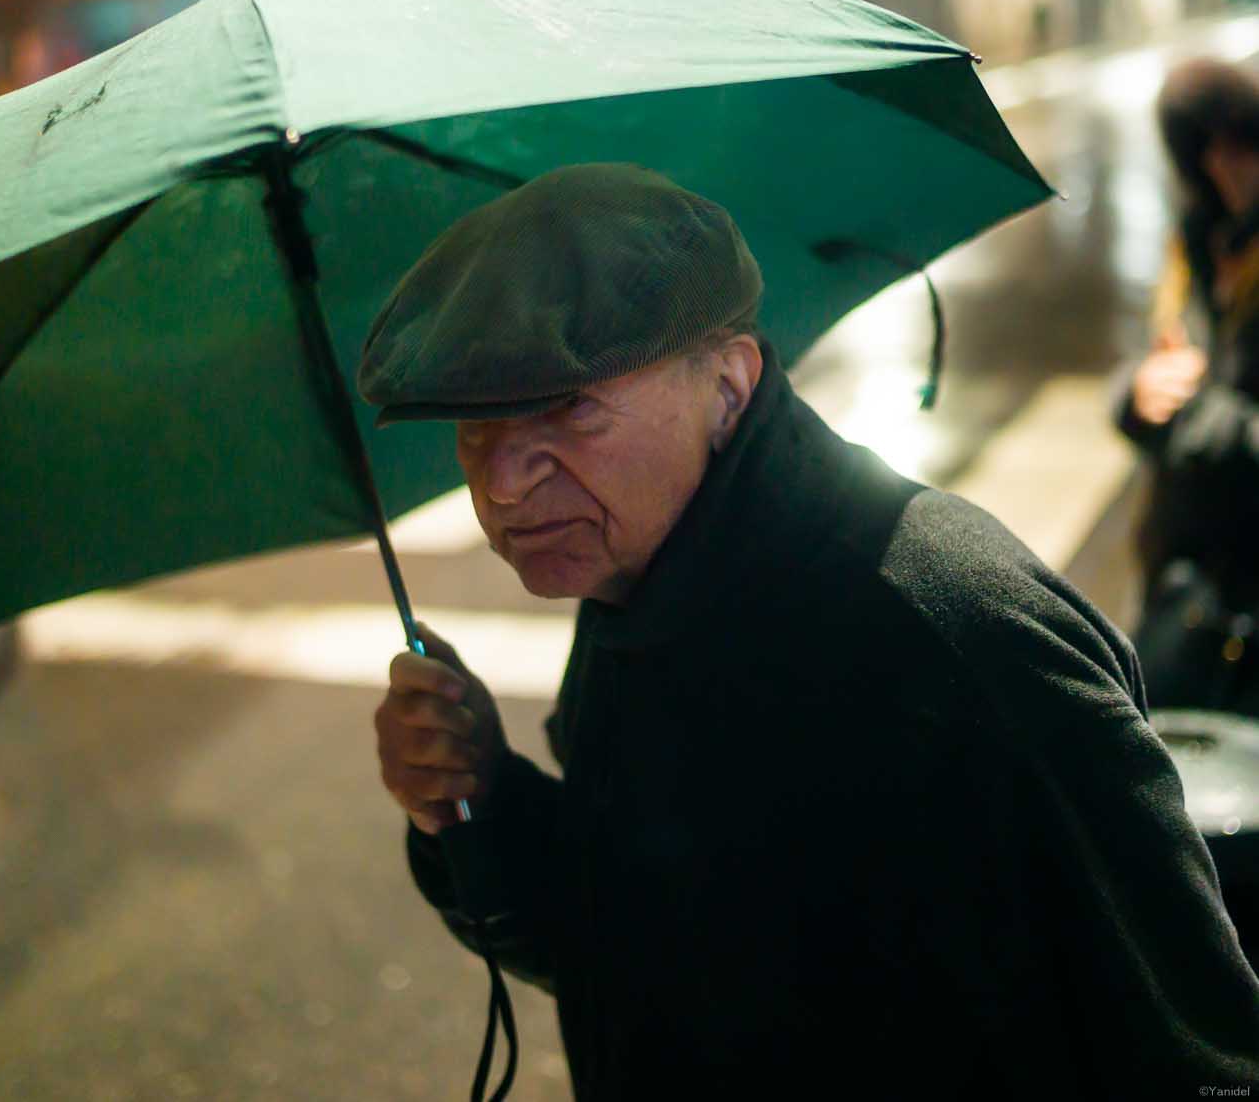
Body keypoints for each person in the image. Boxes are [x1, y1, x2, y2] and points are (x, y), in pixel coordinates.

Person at [364, 162, 1259, 1099]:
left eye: (566, 406)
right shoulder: (641, 589)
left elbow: (1187, 1054)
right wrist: (475, 803)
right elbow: (636, 944)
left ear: (728, 384)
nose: (502, 482)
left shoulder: (954, 631)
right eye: (474, 425)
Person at [1118, 58, 1259, 717]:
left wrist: (1202, 415)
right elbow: (1165, 364)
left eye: (1243, 143)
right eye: (1206, 146)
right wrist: (1141, 396)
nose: (1225, 166)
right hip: (1183, 583)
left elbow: (1214, 411)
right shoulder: (1200, 247)